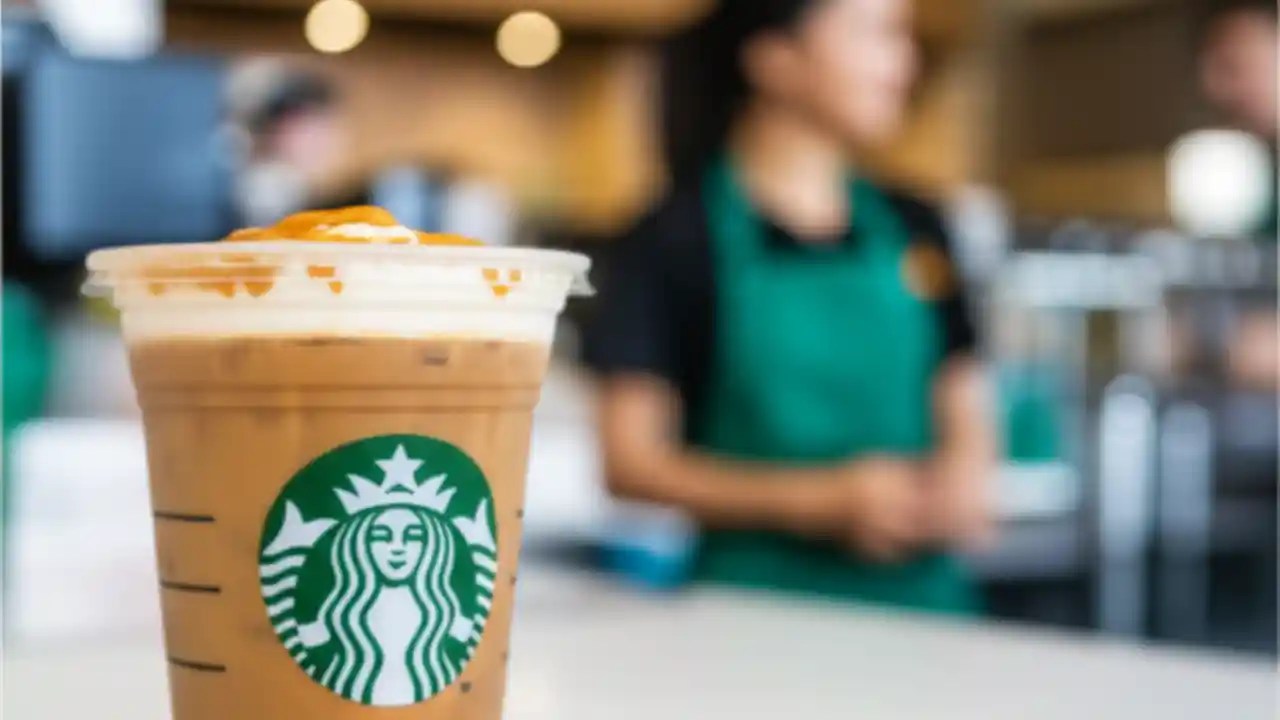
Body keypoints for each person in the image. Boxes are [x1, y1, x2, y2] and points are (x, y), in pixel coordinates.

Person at [584, 0, 997, 613]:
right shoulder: (673, 240)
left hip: (927, 611)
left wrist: (966, 481)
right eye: (876, 34)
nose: (903, 63)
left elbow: (964, 396)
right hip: (748, 617)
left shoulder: (920, 227)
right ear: (775, 59)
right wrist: (820, 501)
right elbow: (631, 463)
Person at [230, 63, 345, 227]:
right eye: (306, 130)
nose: (317, 142)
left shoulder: (313, 190)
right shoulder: (263, 190)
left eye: (324, 129)